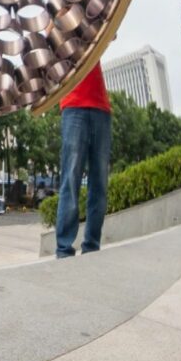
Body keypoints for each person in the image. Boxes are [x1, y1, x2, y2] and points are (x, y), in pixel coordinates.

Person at [52, 60, 112, 257]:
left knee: (100, 182)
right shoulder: (60, 31)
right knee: (70, 177)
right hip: (73, 105)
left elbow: (109, 32)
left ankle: (92, 246)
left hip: (101, 107)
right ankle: (64, 249)